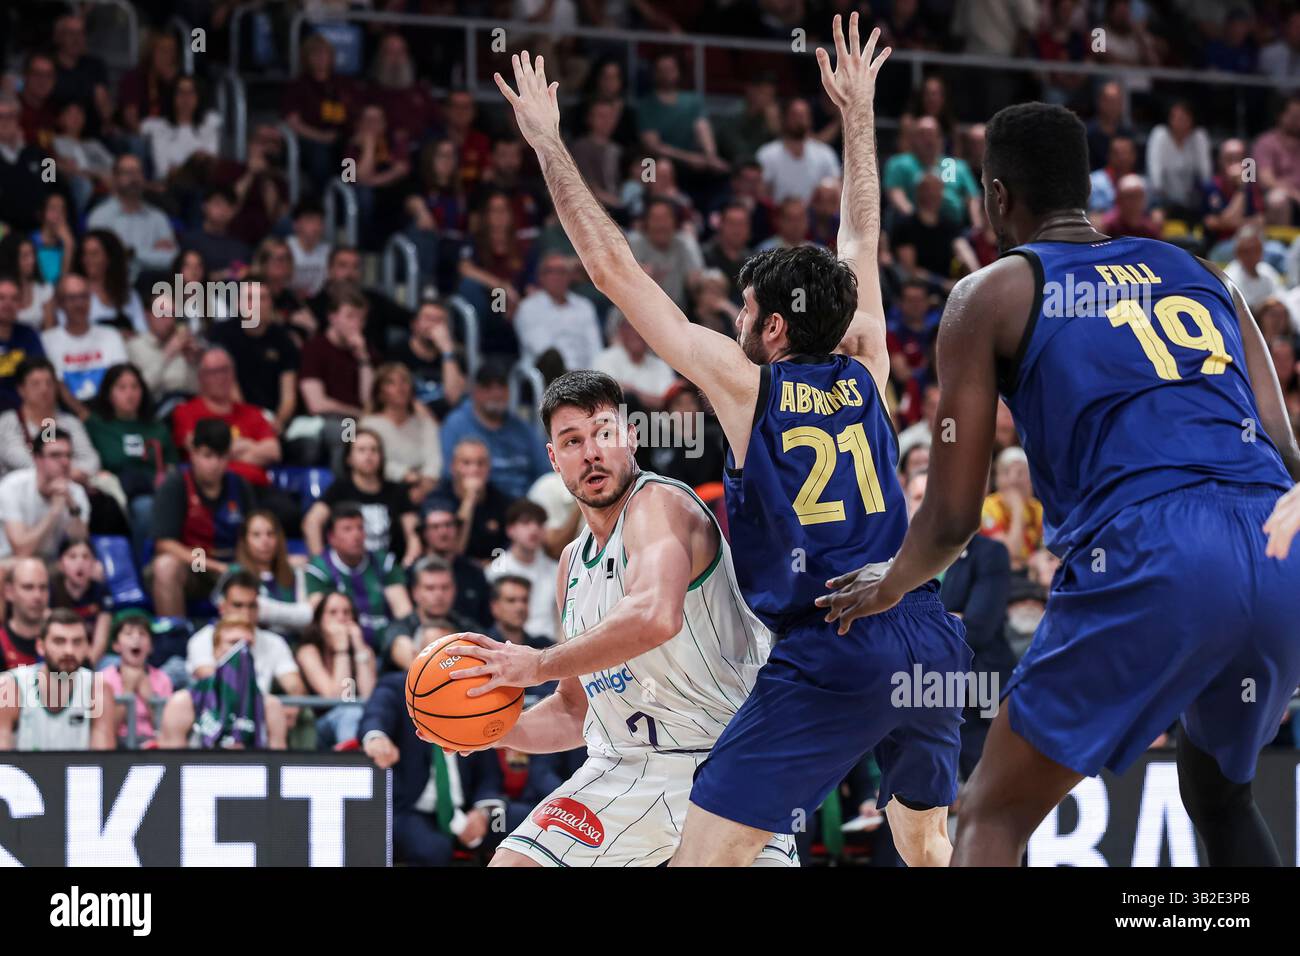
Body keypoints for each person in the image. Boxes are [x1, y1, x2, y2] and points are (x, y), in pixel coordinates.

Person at [493, 21, 966, 868]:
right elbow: (862, 242)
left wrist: (548, 145)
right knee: (928, 844)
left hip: (836, 639)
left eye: (746, 312)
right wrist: (859, 114)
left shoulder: (751, 390)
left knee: (704, 859)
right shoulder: (868, 363)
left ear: (774, 327)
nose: (735, 323)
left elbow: (614, 272)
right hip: (927, 629)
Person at [820, 99, 1300, 868]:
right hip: (1281, 546)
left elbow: (950, 517)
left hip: (1158, 548)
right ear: (1088, 188)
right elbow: (1285, 449)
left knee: (988, 816)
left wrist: (888, 583)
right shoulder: (1206, 273)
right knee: (1220, 795)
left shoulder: (991, 294)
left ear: (998, 196)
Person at [433, 366, 797, 867]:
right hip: (624, 768)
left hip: (724, 760)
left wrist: (536, 665)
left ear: (631, 436)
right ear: (554, 460)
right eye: (572, 441)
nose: (591, 452)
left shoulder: (660, 503)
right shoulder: (569, 565)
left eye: (604, 432)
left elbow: (654, 616)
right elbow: (574, 712)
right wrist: (482, 725)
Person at [149, 418, 254, 618]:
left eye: (221, 456)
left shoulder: (239, 486)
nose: (214, 464)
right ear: (193, 454)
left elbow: (249, 534)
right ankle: (174, 638)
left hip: (233, 566)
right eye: (207, 455)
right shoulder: (176, 484)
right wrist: (215, 566)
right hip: (195, 565)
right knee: (165, 566)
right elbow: (164, 544)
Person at [85, 363, 177, 561]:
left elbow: (171, 467)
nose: (130, 393)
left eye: (135, 387)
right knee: (144, 508)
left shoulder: (157, 427)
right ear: (108, 393)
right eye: (122, 387)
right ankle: (140, 571)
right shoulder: (96, 424)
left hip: (156, 490)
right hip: (114, 494)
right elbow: (89, 462)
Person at [159, 618, 288, 749]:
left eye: (248, 645)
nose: (243, 650)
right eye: (234, 643)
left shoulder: (270, 706)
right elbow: (171, 764)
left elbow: (277, 764)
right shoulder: (184, 702)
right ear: (215, 651)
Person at [0, 609, 116, 751]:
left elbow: (103, 763)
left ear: (87, 647)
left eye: (77, 642)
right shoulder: (9, 687)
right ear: (41, 647)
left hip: (78, 773)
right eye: (59, 641)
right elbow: (2, 763)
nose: (69, 650)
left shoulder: (98, 689)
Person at [302, 428, 419, 563]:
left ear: (381, 457)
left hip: (391, 569)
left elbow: (413, 534)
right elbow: (312, 522)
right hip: (347, 571)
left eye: (374, 450)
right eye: (361, 450)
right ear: (349, 459)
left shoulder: (397, 491)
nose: (368, 455)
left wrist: (408, 563)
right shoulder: (339, 489)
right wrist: (321, 563)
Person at [304, 502, 412, 647]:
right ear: (331, 537)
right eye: (347, 529)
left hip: (387, 640)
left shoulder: (384, 562)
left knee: (403, 641)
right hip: (343, 643)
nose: (356, 535)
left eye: (360, 528)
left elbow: (403, 612)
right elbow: (320, 620)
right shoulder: (319, 569)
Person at [439, 361, 551, 500]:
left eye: (501, 387)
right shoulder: (456, 424)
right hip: (480, 501)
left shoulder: (520, 427)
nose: (496, 393)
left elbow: (544, 470)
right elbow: (449, 475)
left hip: (522, 506)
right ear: (475, 391)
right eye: (488, 387)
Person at [186, 569, 304, 697]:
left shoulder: (274, 642)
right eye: (238, 605)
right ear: (222, 607)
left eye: (251, 605)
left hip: (262, 714)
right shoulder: (201, 639)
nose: (245, 613)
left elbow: (295, 688)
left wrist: (288, 710)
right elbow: (212, 686)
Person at [295, 590, 375, 749]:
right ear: (320, 620)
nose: (341, 618)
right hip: (320, 726)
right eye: (333, 612)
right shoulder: (308, 651)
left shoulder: (364, 651)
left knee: (356, 714)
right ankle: (351, 760)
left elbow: (369, 696)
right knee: (350, 712)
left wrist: (358, 647)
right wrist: (342, 650)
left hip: (360, 720)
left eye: (347, 612)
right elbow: (337, 698)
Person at [379, 556, 482, 674]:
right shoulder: (400, 627)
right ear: (415, 592)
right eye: (430, 588)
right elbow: (407, 657)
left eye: (445, 587)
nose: (439, 594)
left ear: (454, 590)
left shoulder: (467, 627)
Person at [0, 430, 89, 563]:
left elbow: (79, 541)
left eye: (68, 455)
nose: (64, 462)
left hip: (51, 563)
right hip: (11, 561)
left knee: (91, 568)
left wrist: (71, 505)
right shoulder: (13, 486)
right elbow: (21, 550)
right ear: (37, 458)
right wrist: (54, 511)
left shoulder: (76, 492)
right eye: (55, 455)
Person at [360, 362, 441, 504]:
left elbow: (435, 457)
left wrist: (427, 483)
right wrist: (404, 474)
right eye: (391, 383)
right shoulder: (367, 425)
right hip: (384, 488)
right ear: (380, 393)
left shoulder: (424, 422)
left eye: (404, 381)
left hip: (425, 488)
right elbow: (365, 459)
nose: (400, 388)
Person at [226, 510, 312, 637]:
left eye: (270, 534)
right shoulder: (236, 573)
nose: (265, 541)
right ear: (245, 541)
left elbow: (307, 621)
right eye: (256, 535)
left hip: (294, 646)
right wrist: (300, 614)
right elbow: (259, 611)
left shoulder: (294, 572)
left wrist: (304, 616)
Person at [99, 608, 173, 747]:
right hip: (117, 746)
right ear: (116, 645)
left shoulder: (163, 679)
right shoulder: (103, 679)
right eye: (128, 634)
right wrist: (127, 690)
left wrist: (150, 698)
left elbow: (168, 731)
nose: (136, 638)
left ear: (150, 646)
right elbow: (105, 732)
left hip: (153, 745)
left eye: (142, 634)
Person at [486, 499, 558, 640]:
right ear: (510, 530)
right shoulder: (494, 571)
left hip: (551, 646)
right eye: (526, 523)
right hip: (509, 643)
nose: (534, 529)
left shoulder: (557, 570)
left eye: (539, 524)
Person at [417, 505, 493, 626]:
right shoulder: (412, 571)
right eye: (435, 527)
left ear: (457, 529)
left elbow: (487, 619)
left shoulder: (475, 572)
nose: (443, 532)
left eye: (448, 525)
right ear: (424, 533)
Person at [49, 537, 110, 662]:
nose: (80, 563)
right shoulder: (50, 591)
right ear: (60, 564)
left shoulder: (101, 591)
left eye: (86, 557)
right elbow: (48, 637)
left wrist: (86, 668)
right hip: (58, 658)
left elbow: (100, 642)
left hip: (91, 658)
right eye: (72, 557)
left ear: (94, 563)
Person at [0, 275, 44, 413]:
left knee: (51, 429)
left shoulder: (28, 334)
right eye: (1, 298)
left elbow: (40, 372)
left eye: (14, 299)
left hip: (30, 411)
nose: (8, 304)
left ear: (20, 305)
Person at [0, 558, 51, 671]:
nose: (37, 596)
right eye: (28, 587)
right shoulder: (2, 644)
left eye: (43, 587)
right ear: (9, 592)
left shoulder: (64, 641)